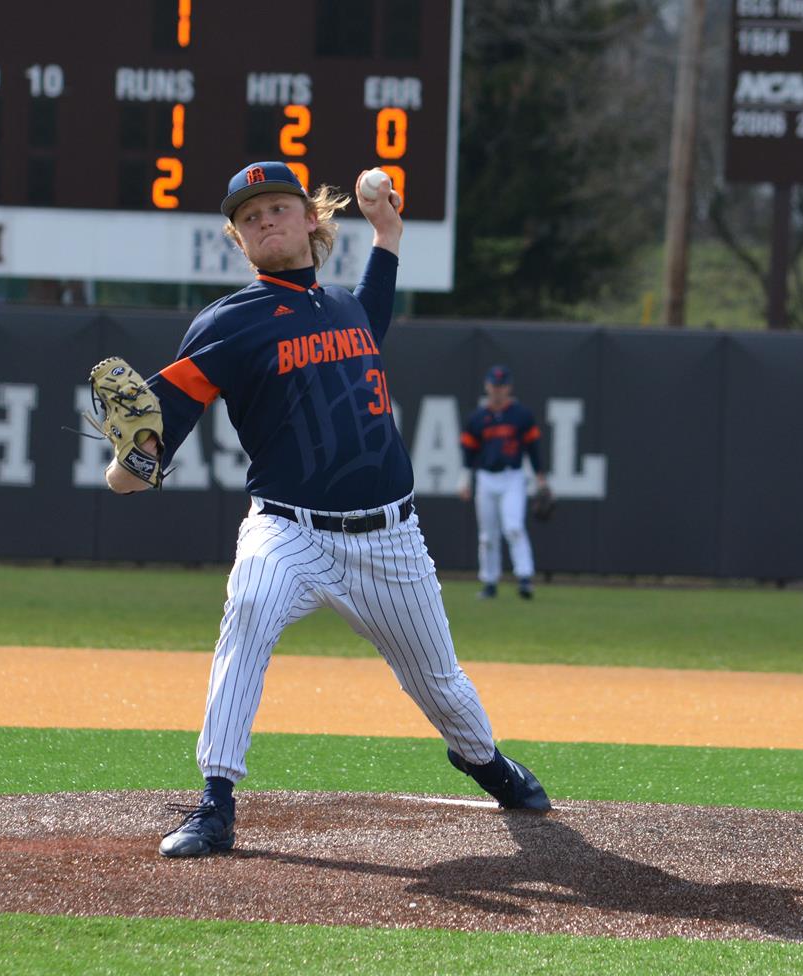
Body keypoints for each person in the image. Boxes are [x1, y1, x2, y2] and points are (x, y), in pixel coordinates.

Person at [98, 161, 550, 858]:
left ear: (311, 219)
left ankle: (484, 760)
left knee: (440, 682)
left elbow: (375, 301)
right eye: (249, 218)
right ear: (238, 241)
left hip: (390, 537)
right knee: (247, 610)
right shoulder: (228, 323)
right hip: (288, 528)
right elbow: (148, 452)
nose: (264, 221)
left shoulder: (345, 308)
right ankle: (216, 799)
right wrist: (129, 466)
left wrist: (388, 232)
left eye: (278, 207)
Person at [458, 366, 548, 600]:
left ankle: (525, 578)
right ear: (487, 386)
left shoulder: (522, 415)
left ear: (509, 387)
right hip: (486, 478)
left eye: (501, 386)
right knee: (487, 535)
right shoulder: (477, 418)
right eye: (494, 386)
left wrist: (540, 477)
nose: (497, 391)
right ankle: (489, 582)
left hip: (513, 477)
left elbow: (533, 449)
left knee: (514, 527)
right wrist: (465, 480)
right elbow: (468, 453)